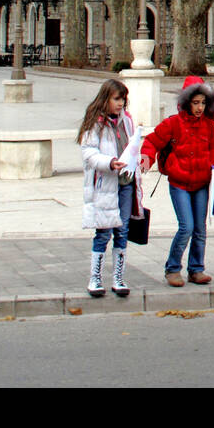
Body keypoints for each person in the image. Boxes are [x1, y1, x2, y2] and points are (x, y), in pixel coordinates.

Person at [140, 76, 214, 287]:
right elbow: (151, 141)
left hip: (201, 183)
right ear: (186, 102)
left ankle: (196, 269)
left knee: (200, 228)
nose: (200, 108)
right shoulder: (172, 124)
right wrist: (146, 158)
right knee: (186, 226)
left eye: (203, 103)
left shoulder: (208, 125)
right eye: (195, 103)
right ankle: (172, 268)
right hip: (179, 183)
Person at [78, 79, 141, 298]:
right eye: (116, 98)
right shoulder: (94, 123)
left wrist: (138, 160)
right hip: (106, 184)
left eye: (123, 99)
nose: (120, 103)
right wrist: (109, 162)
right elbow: (88, 153)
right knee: (103, 231)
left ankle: (118, 277)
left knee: (122, 230)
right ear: (105, 99)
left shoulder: (127, 121)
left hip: (126, 183)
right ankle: (95, 278)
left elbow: (131, 146)